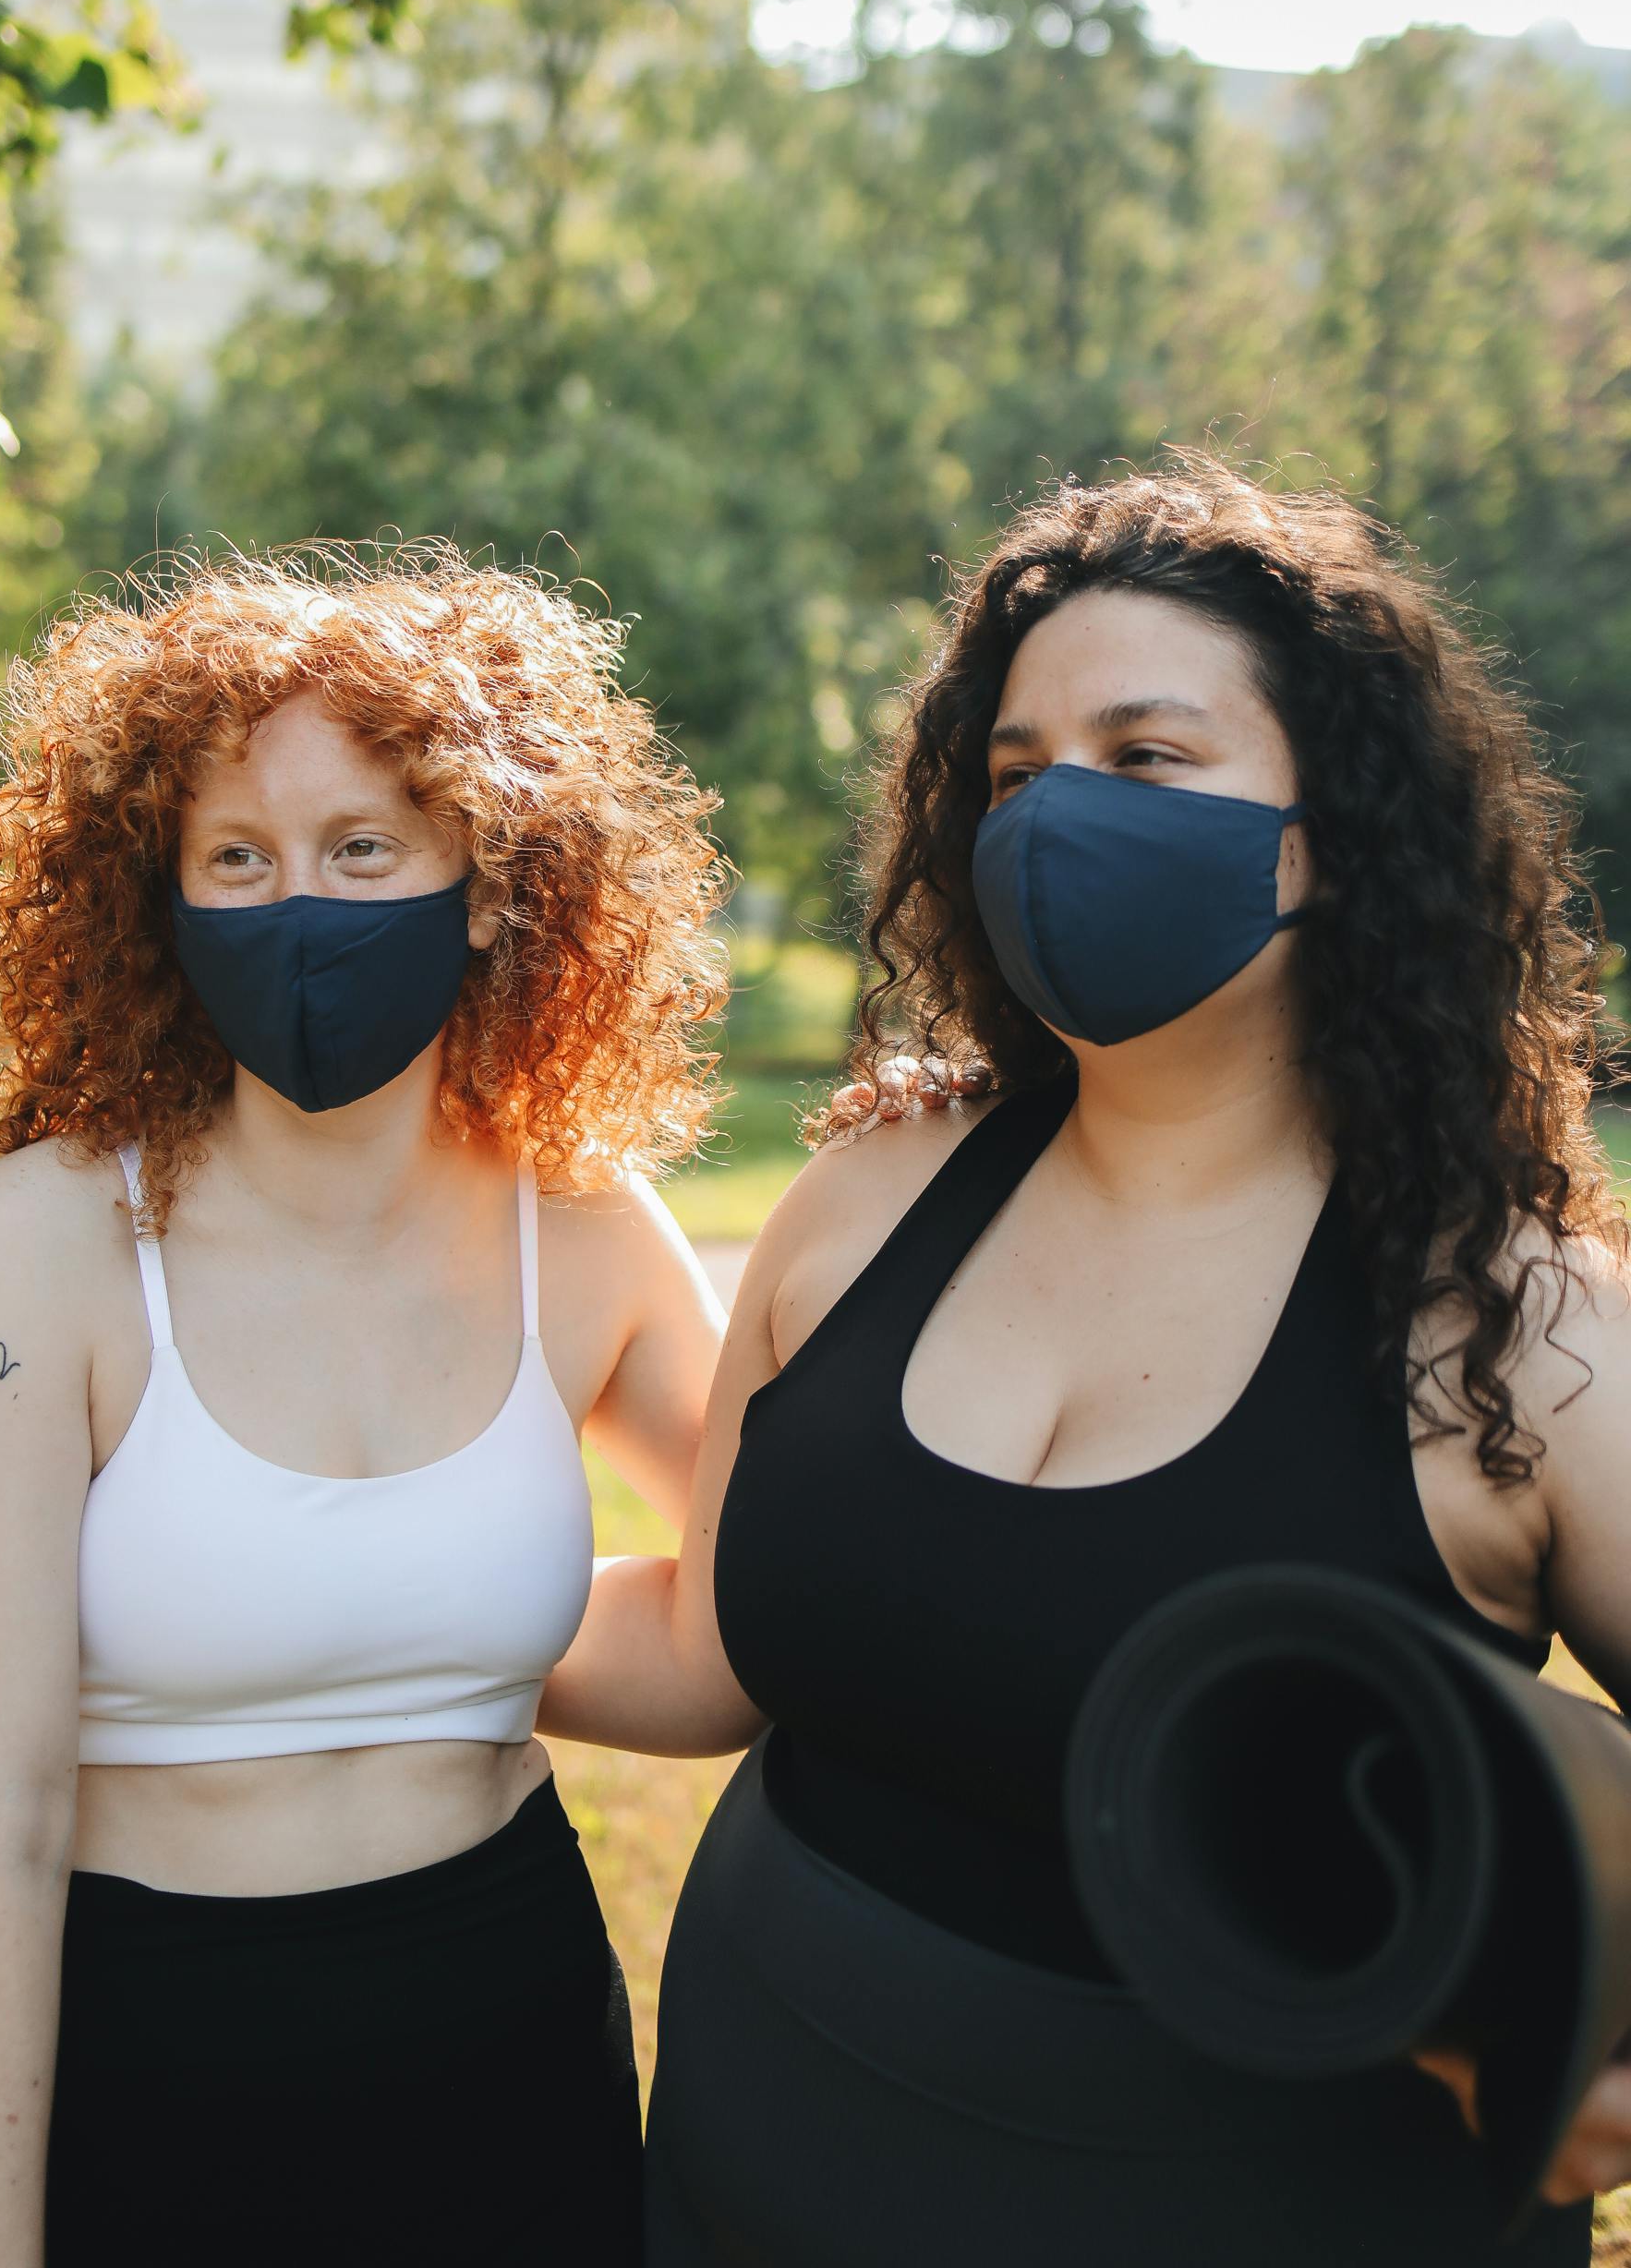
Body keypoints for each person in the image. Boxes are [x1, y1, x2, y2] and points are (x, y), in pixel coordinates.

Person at [550, 457, 1631, 2265]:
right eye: (1014, 774)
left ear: (1336, 827)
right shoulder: (867, 1195)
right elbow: (700, 1655)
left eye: (1145, 758)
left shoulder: (1513, 1319)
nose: (1059, 819)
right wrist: (345, 1598)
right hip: (747, 2174)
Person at [0, 547, 729, 2268]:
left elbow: (771, 1609)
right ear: (164, 901)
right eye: (239, 862)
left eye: (364, 851)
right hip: (153, 2067)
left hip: (517, 2045)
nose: (302, 914)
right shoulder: (34, 1251)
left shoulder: (585, 1227)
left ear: (488, 881)